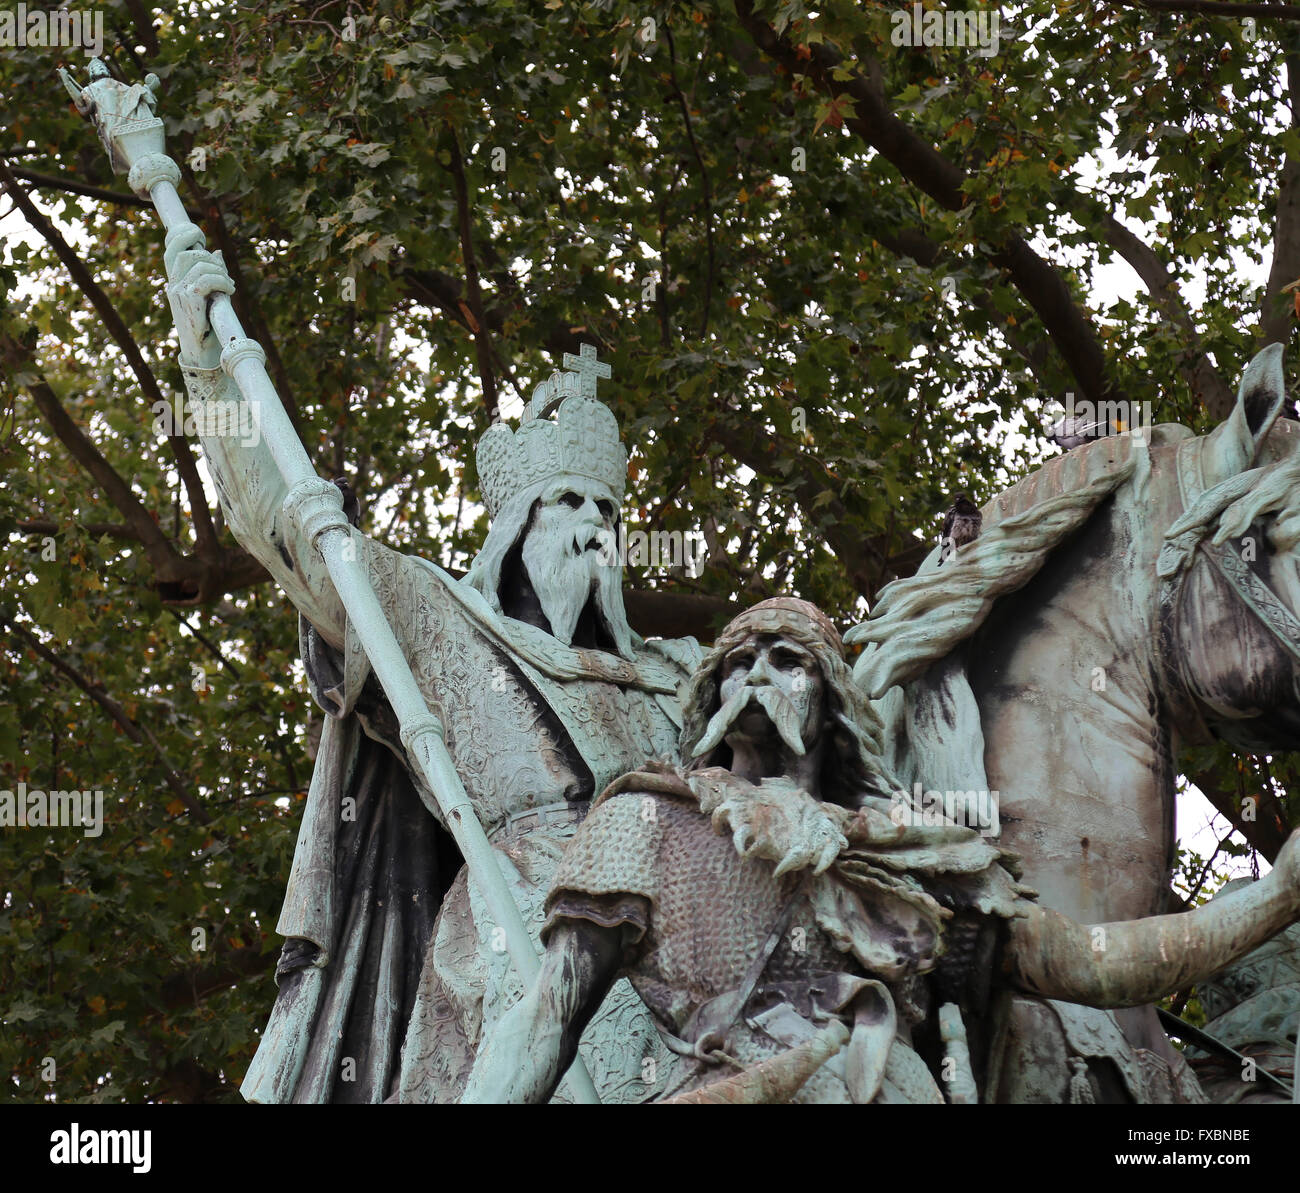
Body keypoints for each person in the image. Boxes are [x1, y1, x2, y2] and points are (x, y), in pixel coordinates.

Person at [462, 598, 1300, 1103]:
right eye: (737, 663)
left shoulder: (918, 859)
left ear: (830, 704)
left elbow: (1096, 965)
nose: (756, 675)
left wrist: (1277, 893)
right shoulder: (643, 820)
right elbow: (545, 1015)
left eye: (787, 661)